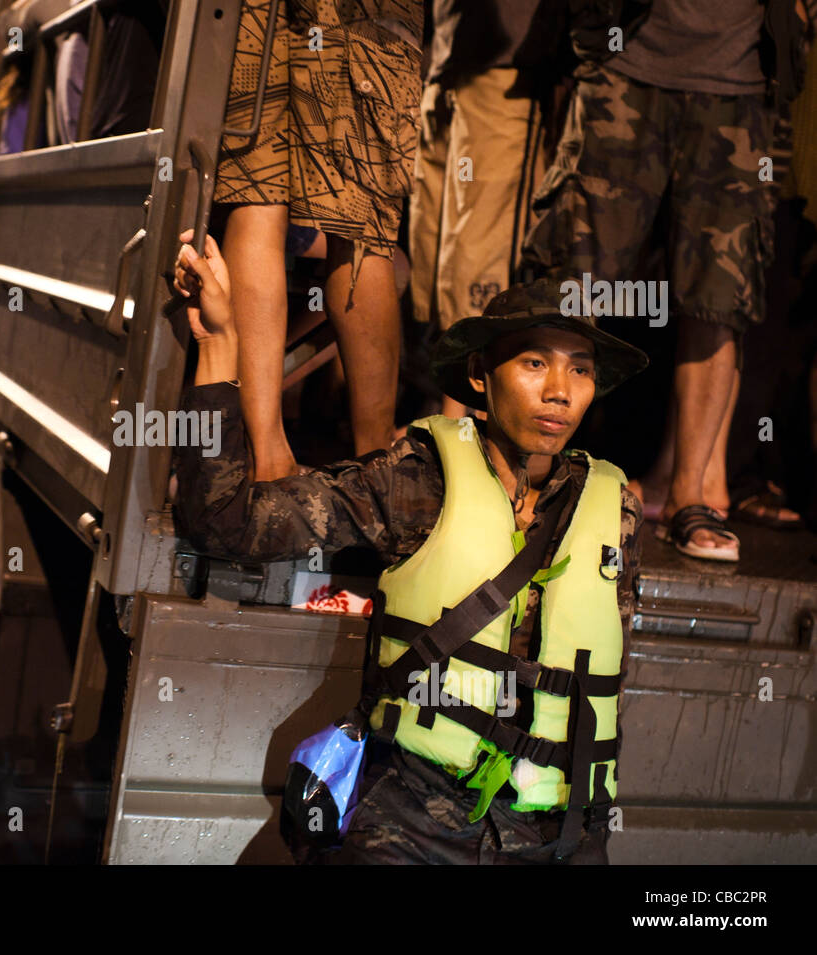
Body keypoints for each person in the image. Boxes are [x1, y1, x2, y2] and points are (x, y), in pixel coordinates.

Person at [170, 230, 647, 864]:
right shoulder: (416, 478)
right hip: (416, 827)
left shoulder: (616, 508)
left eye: (580, 369)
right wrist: (219, 346)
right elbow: (226, 523)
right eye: (535, 363)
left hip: (561, 836)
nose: (560, 389)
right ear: (480, 374)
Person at [519, 0, 812, 561]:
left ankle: (688, 497)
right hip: (624, 59)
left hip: (740, 82)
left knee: (720, 301)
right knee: (574, 287)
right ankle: (532, 481)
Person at [213, 0, 424, 479]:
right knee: (362, 226)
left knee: (257, 200)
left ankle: (265, 454)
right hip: (363, 17)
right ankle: (376, 466)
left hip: (251, 12)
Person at [409, 1, 553, 420]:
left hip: (509, 66)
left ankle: (466, 428)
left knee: (480, 256)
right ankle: (445, 413)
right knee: (434, 259)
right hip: (445, 59)